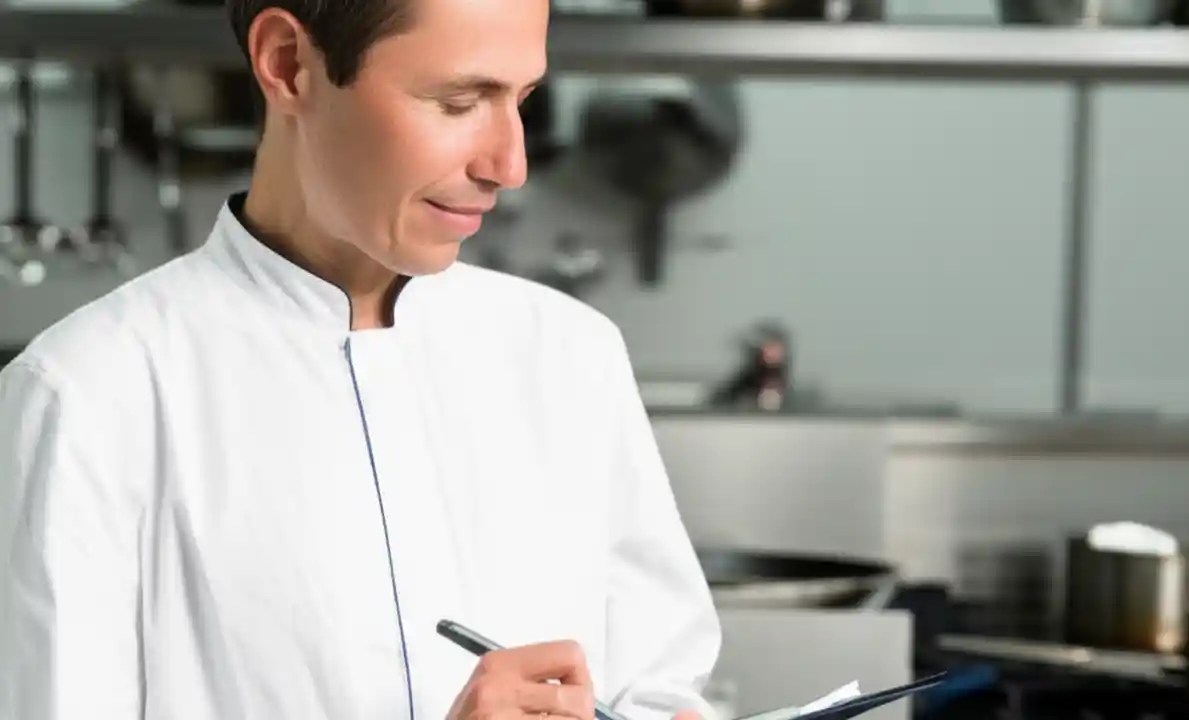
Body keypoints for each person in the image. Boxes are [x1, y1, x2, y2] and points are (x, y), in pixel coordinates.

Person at [0, 0, 721, 717]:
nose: (510, 164)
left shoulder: (571, 355)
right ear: (287, 63)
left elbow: (654, 687)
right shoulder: (87, 394)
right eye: (459, 102)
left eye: (522, 100)